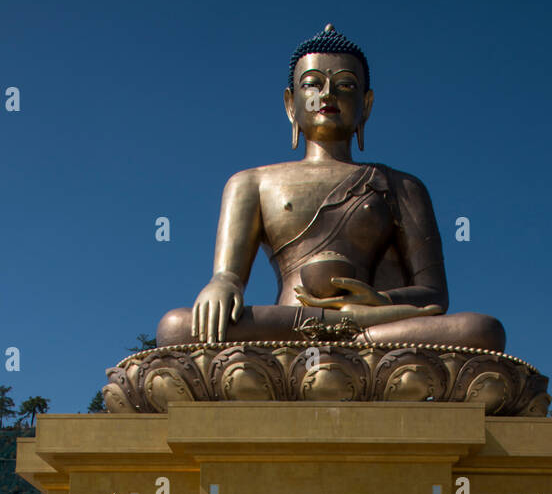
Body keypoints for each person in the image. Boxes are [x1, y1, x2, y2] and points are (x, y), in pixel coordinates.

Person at [156, 25, 505, 352]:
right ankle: (356, 351)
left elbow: (434, 296)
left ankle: (351, 344)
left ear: (366, 106)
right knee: (176, 328)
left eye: (346, 85)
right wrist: (222, 284)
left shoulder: (402, 186)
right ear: (291, 104)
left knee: (480, 331)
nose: (328, 94)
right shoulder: (250, 182)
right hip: (291, 323)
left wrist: (377, 303)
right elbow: (228, 275)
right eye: (313, 83)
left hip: (372, 323)